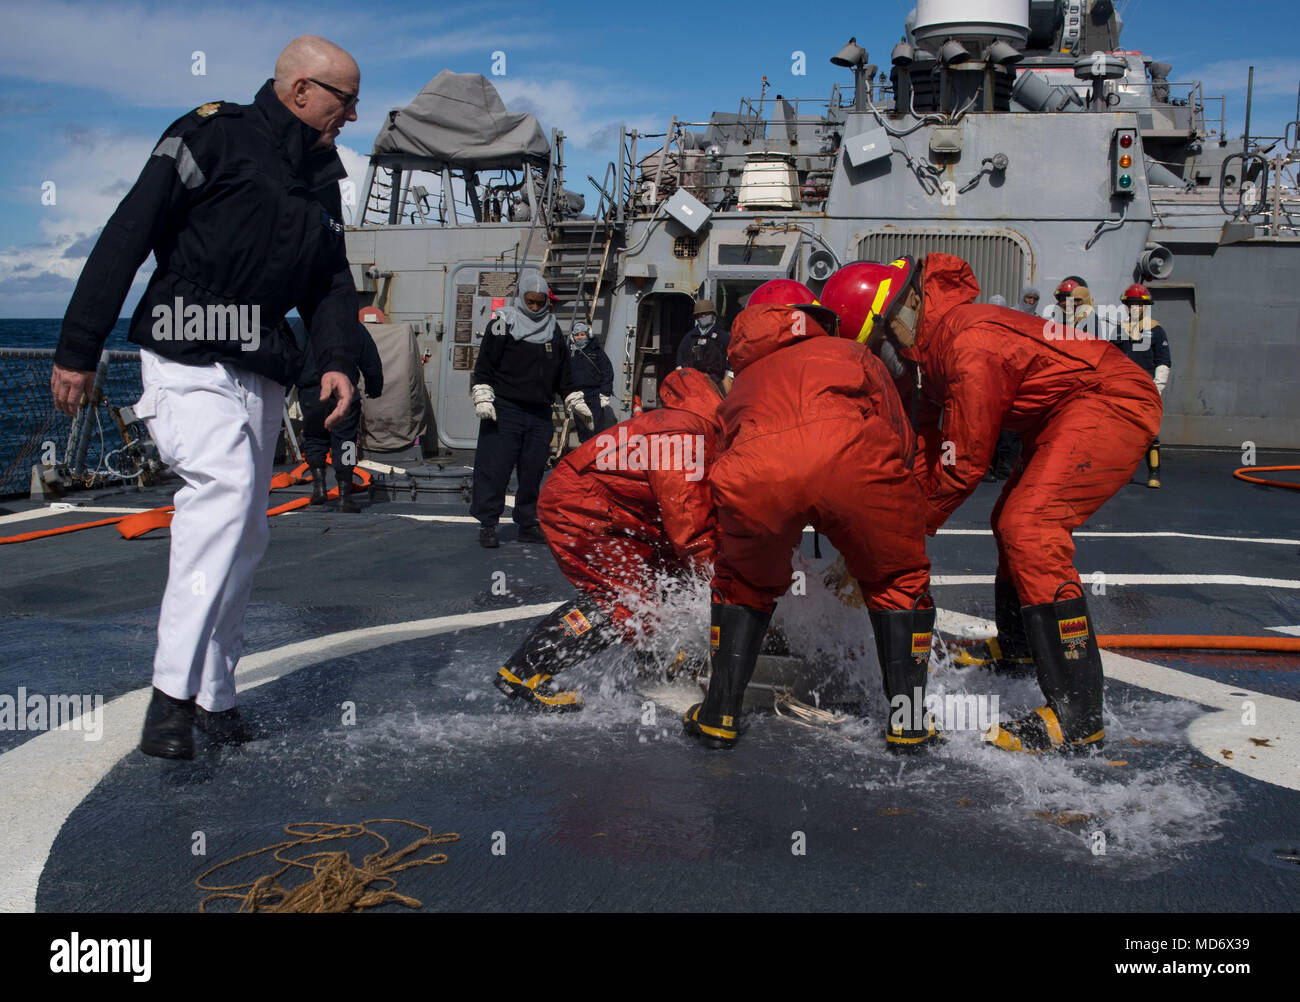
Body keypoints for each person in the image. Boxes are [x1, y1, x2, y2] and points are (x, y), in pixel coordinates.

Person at [50, 36, 365, 759]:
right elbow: (126, 235)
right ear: (301, 92)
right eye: (346, 99)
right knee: (221, 496)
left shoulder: (321, 177)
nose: (353, 114)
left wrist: (339, 359)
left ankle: (215, 698)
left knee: (245, 536)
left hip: (260, 371)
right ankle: (170, 699)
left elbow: (330, 284)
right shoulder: (209, 136)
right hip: (185, 351)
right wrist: (78, 348)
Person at [821, 255, 1161, 754]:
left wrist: (901, 540)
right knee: (1010, 520)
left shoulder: (966, 345)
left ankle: (1078, 715)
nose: (885, 355)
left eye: (882, 342)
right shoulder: (931, 354)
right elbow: (928, 448)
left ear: (902, 310)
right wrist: (887, 522)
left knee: (1031, 526)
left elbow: (965, 463)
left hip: (1112, 401)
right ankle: (1021, 650)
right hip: (1063, 411)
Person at [684, 279, 937, 752]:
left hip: (757, 475)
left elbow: (727, 453)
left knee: (743, 584)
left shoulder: (743, 382)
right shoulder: (852, 354)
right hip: (853, 461)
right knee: (899, 581)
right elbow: (899, 438)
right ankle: (908, 722)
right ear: (815, 316)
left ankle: (719, 715)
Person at [494, 351, 729, 710]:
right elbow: (689, 523)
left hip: (615, 511)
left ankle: (659, 662)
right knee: (624, 598)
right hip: (583, 507)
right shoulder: (688, 430)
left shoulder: (694, 424)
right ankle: (525, 672)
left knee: (672, 579)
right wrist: (724, 581)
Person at [470, 274, 582, 548]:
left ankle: (528, 522)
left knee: (532, 471)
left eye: (539, 303)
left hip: (539, 412)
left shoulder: (553, 329)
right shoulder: (501, 323)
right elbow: (485, 363)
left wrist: (572, 398)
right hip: (505, 408)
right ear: (520, 297)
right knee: (495, 468)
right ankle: (488, 523)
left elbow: (563, 372)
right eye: (530, 302)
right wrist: (483, 395)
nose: (534, 308)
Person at [297, 320, 384, 511]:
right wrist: (374, 388)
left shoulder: (304, 327)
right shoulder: (354, 327)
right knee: (346, 442)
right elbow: (371, 360)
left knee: (314, 438)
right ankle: (345, 497)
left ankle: (319, 489)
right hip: (344, 393)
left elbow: (291, 357)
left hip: (312, 394)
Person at [1116, 283, 1171, 488]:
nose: (1135, 307)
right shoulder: (1119, 329)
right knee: (1123, 432)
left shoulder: (1156, 330)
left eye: (1139, 304)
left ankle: (1154, 474)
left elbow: (1163, 360)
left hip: (1146, 388)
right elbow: (1111, 358)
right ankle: (1124, 473)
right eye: (1131, 304)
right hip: (1123, 387)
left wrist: (1157, 387)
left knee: (1150, 432)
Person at [566, 321, 615, 443]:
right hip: (577, 395)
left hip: (594, 394)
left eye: (582, 334)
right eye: (577, 335)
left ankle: (595, 455)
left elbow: (607, 371)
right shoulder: (569, 353)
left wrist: (605, 393)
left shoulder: (597, 351)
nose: (580, 337)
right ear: (573, 336)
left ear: (588, 335)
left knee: (596, 427)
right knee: (582, 427)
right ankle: (584, 452)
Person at [675, 299, 729, 368]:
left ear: (713, 315)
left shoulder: (723, 336)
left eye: (706, 314)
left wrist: (728, 376)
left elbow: (731, 358)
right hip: (693, 376)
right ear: (696, 317)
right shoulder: (690, 337)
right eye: (700, 314)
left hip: (716, 377)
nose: (703, 316)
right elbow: (681, 357)